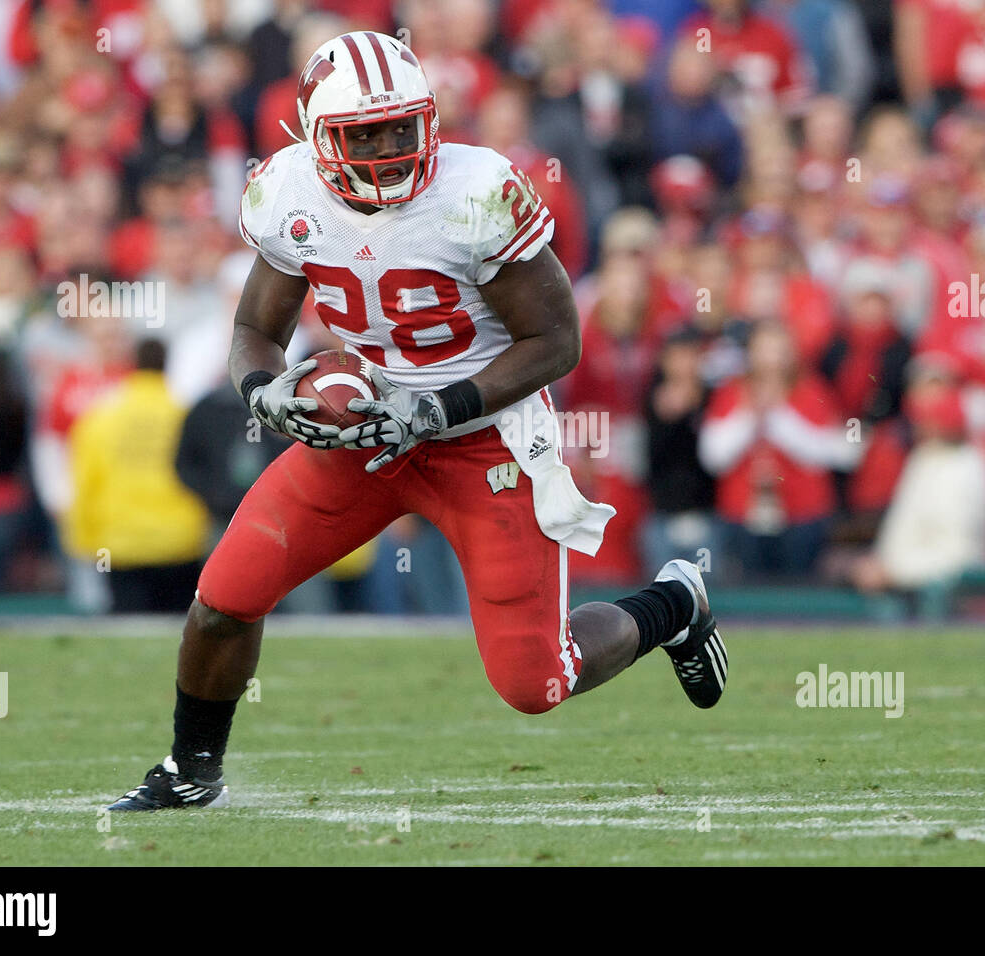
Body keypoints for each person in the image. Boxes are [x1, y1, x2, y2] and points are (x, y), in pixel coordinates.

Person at [108, 32, 728, 812]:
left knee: (535, 685)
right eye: (364, 134)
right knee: (225, 598)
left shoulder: (478, 191)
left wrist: (436, 408)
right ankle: (191, 768)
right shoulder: (287, 192)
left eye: (402, 127)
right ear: (314, 135)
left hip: (481, 436)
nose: (389, 149)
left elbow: (557, 341)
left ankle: (676, 604)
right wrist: (263, 389)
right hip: (366, 431)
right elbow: (253, 332)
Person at [65, 339, 209, 613]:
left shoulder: (100, 417)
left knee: (127, 632)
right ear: (167, 363)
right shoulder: (186, 415)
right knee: (180, 634)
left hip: (122, 545)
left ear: (132, 364)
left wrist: (82, 540)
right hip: (180, 543)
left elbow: (85, 483)